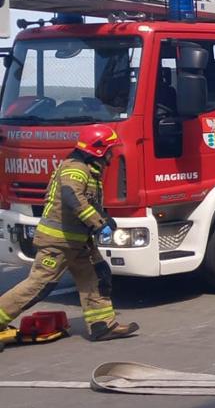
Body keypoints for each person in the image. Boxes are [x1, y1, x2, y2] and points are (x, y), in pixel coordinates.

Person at [0, 125, 139, 341]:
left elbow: (88, 200)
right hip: (58, 242)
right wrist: (97, 224)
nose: (112, 155)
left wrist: (104, 218)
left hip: (78, 242)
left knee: (96, 276)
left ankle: (102, 325)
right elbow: (72, 198)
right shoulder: (75, 169)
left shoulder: (88, 170)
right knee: (39, 285)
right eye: (109, 150)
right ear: (99, 151)